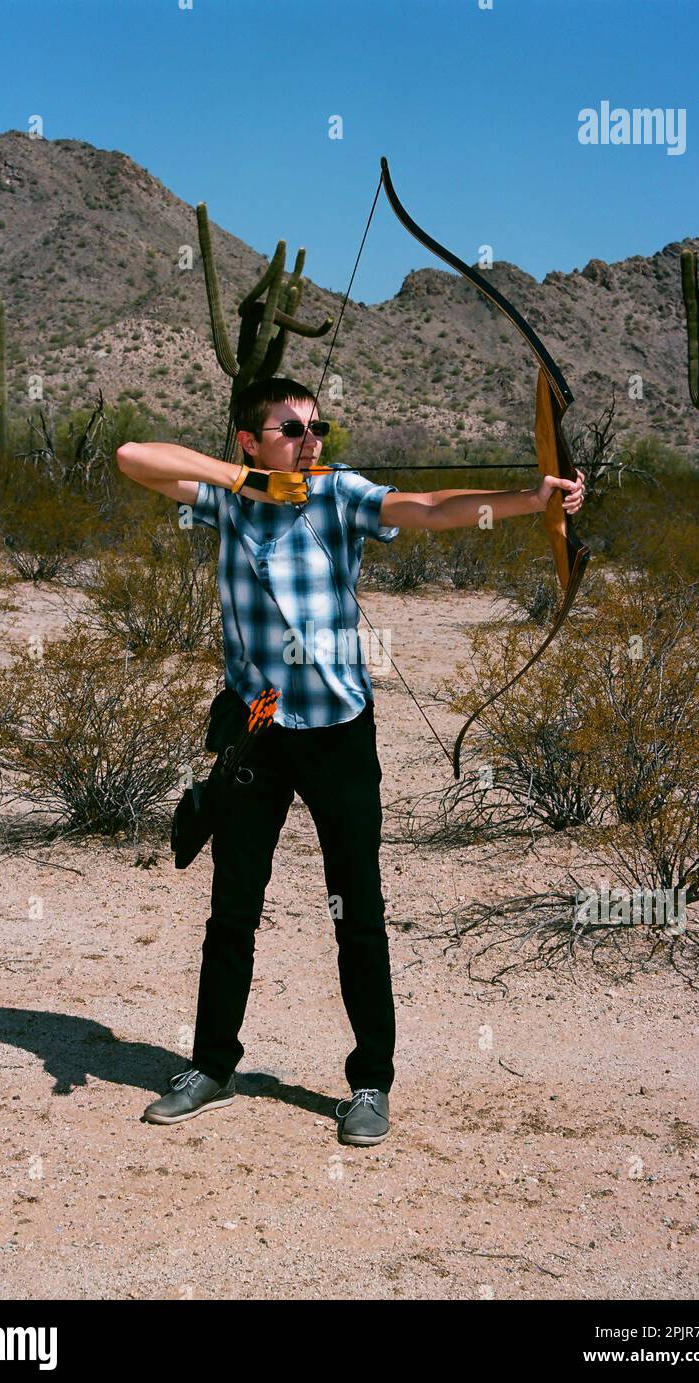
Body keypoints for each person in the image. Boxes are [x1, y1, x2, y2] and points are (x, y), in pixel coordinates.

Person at [116, 377, 585, 1145]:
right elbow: (133, 455)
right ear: (249, 440)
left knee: (357, 913)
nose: (311, 442)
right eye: (291, 429)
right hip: (257, 728)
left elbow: (432, 510)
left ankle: (370, 1083)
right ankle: (211, 1067)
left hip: (338, 733)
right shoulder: (230, 497)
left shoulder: (339, 495)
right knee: (233, 908)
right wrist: (245, 481)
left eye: (317, 429)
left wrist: (535, 499)